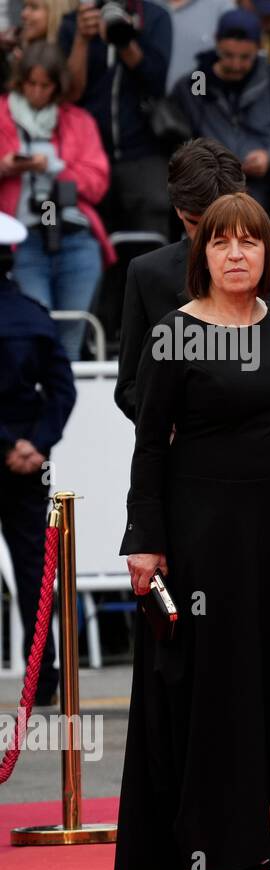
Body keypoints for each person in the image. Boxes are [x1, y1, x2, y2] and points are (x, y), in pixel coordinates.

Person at [112, 192, 270, 870]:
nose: (235, 254)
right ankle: (209, 846)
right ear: (202, 254)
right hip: (203, 533)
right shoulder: (174, 333)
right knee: (215, 690)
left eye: (248, 243)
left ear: (267, 254)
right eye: (221, 243)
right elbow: (149, 447)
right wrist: (144, 537)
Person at [114, 137, 270, 422]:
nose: (211, 237)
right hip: (186, 457)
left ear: (244, 200)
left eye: (222, 223)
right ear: (178, 209)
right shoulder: (147, 274)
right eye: (198, 223)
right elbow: (129, 386)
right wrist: (164, 426)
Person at [0, 211, 73, 710]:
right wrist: (35, 443)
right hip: (29, 465)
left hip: (12, 453)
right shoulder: (33, 315)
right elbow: (62, 391)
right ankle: (42, 681)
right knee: (34, 572)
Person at [0, 43, 115, 361]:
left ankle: (70, 408)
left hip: (75, 239)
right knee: (36, 332)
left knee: (71, 337)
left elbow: (98, 182)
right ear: (20, 81)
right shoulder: (1, 115)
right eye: (30, 84)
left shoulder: (78, 121)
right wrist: (6, 166)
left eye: (45, 85)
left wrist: (54, 167)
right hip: (25, 242)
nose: (37, 92)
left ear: (57, 86)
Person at [168, 10, 270, 220]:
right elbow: (174, 148)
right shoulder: (191, 87)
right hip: (209, 206)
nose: (236, 65)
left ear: (259, 47)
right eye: (228, 55)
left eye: (245, 57)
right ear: (216, 43)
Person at [59, 0, 173, 239]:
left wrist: (124, 41)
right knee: (90, 243)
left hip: (144, 151)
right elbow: (68, 94)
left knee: (150, 243)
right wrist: (82, 39)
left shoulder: (155, 17)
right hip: (88, 154)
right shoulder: (75, 22)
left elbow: (156, 82)